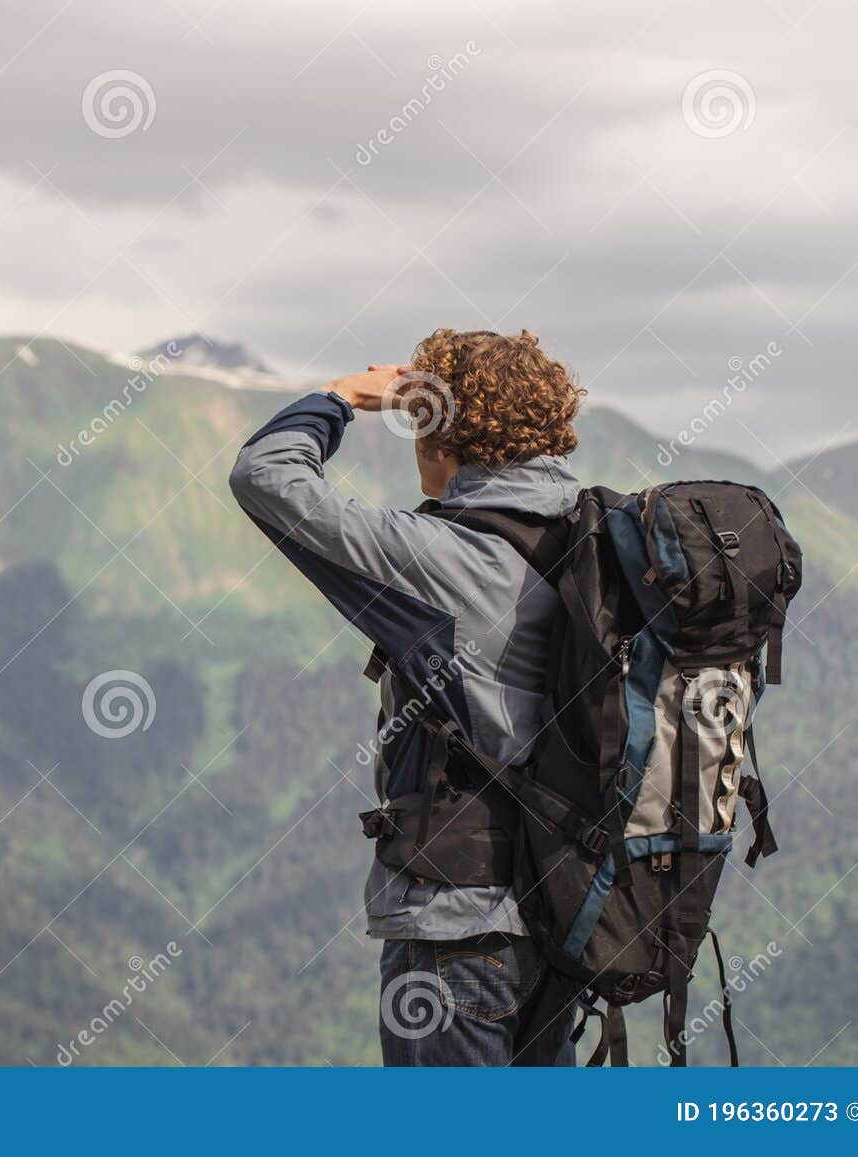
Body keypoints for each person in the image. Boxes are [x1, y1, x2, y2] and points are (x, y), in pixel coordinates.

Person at [229, 327, 586, 1067]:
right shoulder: (597, 536)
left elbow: (264, 474)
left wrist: (342, 396)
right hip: (568, 917)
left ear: (439, 436)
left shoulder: (441, 558)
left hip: (458, 929)